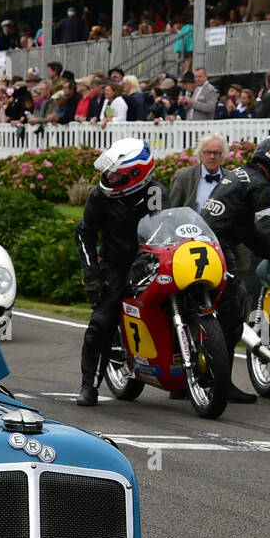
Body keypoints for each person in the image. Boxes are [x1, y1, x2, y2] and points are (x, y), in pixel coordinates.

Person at [199, 135, 270, 405]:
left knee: (202, 307)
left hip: (203, 241)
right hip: (217, 246)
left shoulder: (238, 175)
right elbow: (268, 225)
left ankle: (188, 379)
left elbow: (247, 230)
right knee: (235, 304)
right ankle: (219, 381)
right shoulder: (260, 185)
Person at [74, 138, 166, 408]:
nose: (110, 177)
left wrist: (146, 260)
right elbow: (85, 233)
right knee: (102, 320)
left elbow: (163, 229)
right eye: (109, 172)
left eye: (117, 174)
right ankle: (88, 385)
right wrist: (91, 272)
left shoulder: (155, 192)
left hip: (150, 261)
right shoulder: (99, 195)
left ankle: (185, 370)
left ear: (137, 174)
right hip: (114, 264)